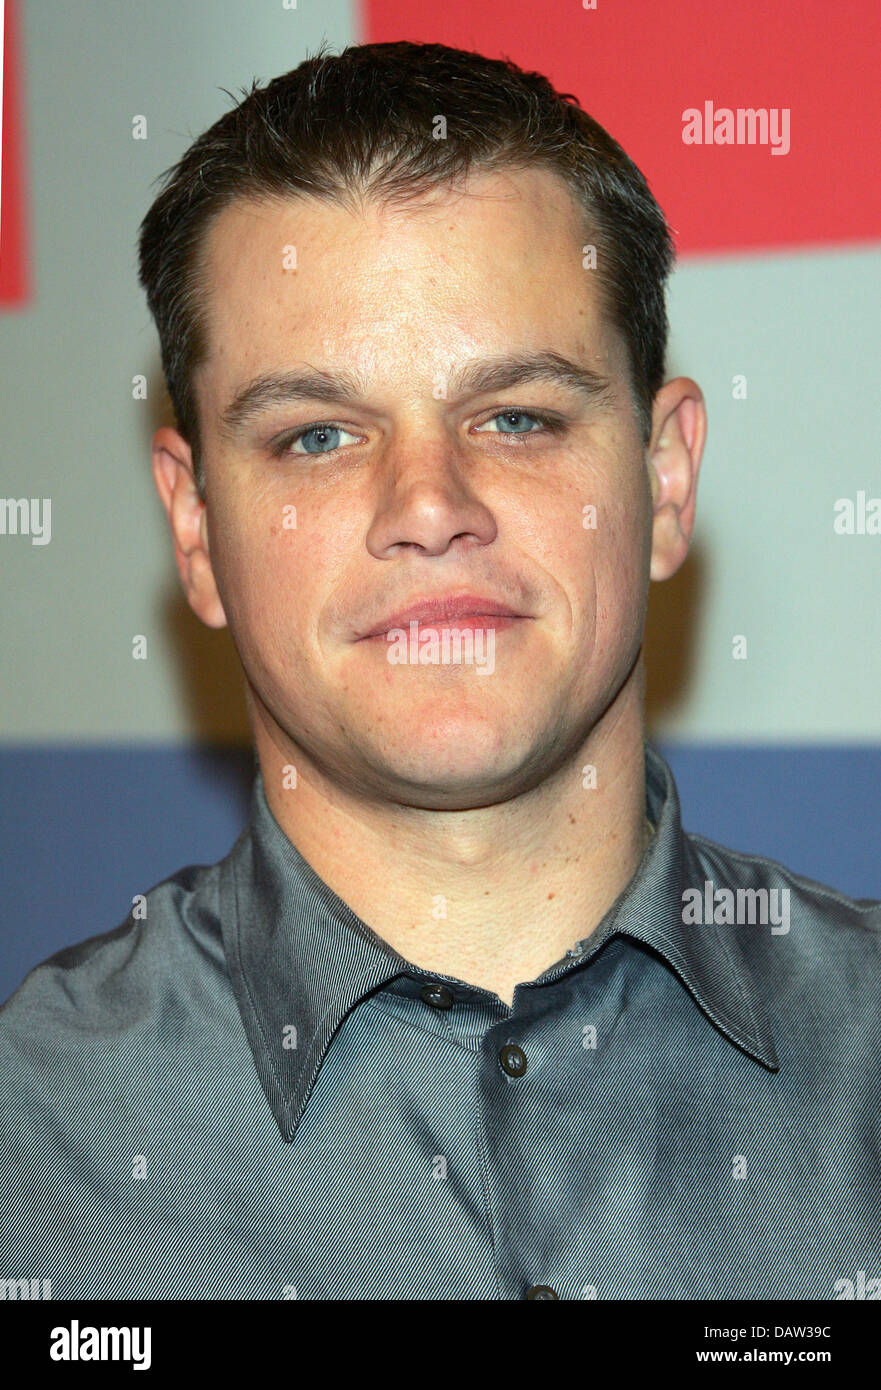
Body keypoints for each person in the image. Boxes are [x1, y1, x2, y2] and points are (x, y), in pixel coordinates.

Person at [1, 40, 878, 1302]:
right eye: (316, 434)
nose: (426, 505)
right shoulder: (30, 1149)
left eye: (514, 416)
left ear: (664, 478)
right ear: (194, 530)